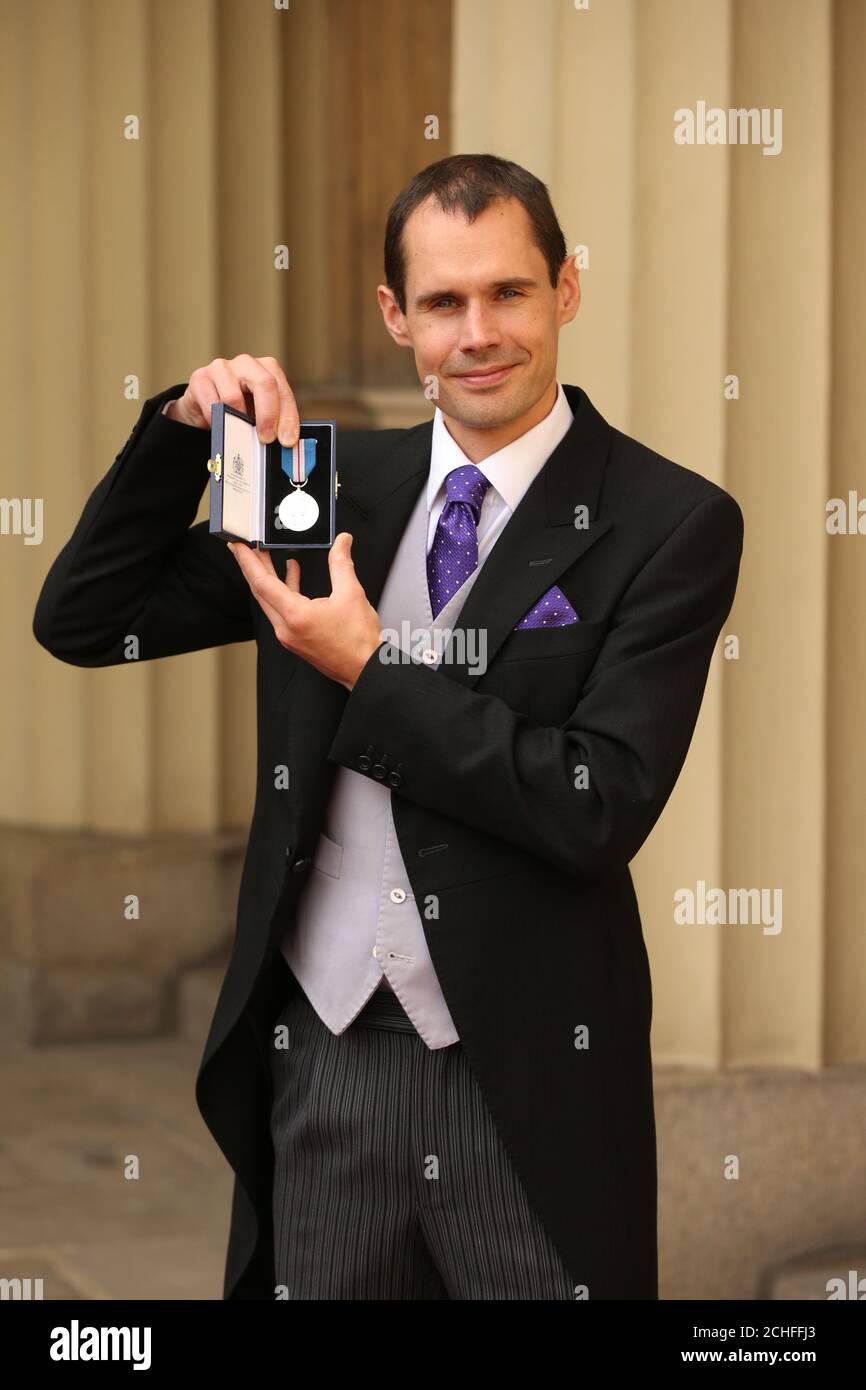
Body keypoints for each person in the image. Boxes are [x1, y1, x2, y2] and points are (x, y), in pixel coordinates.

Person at [33, 153, 743, 1300]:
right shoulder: (327, 489)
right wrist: (180, 430)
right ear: (395, 318)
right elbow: (84, 619)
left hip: (519, 1070)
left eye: (507, 292)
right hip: (322, 1057)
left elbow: (593, 803)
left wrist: (366, 667)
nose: (477, 333)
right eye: (441, 303)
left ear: (565, 288)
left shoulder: (667, 521)